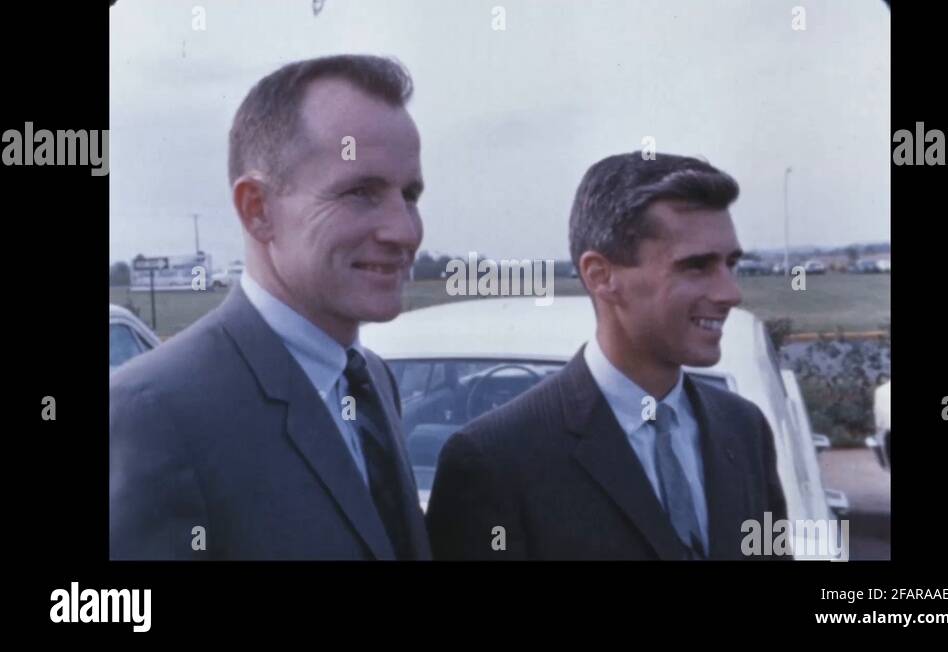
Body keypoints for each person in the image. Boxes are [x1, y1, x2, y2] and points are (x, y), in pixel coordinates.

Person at [110, 55, 430, 560]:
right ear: (258, 210)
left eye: (408, 195)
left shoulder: (371, 378)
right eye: (360, 192)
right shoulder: (154, 412)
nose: (405, 231)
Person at [427, 152, 788, 560]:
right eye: (697, 267)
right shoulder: (494, 460)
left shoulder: (744, 429)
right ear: (602, 276)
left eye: (731, 264)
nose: (730, 294)